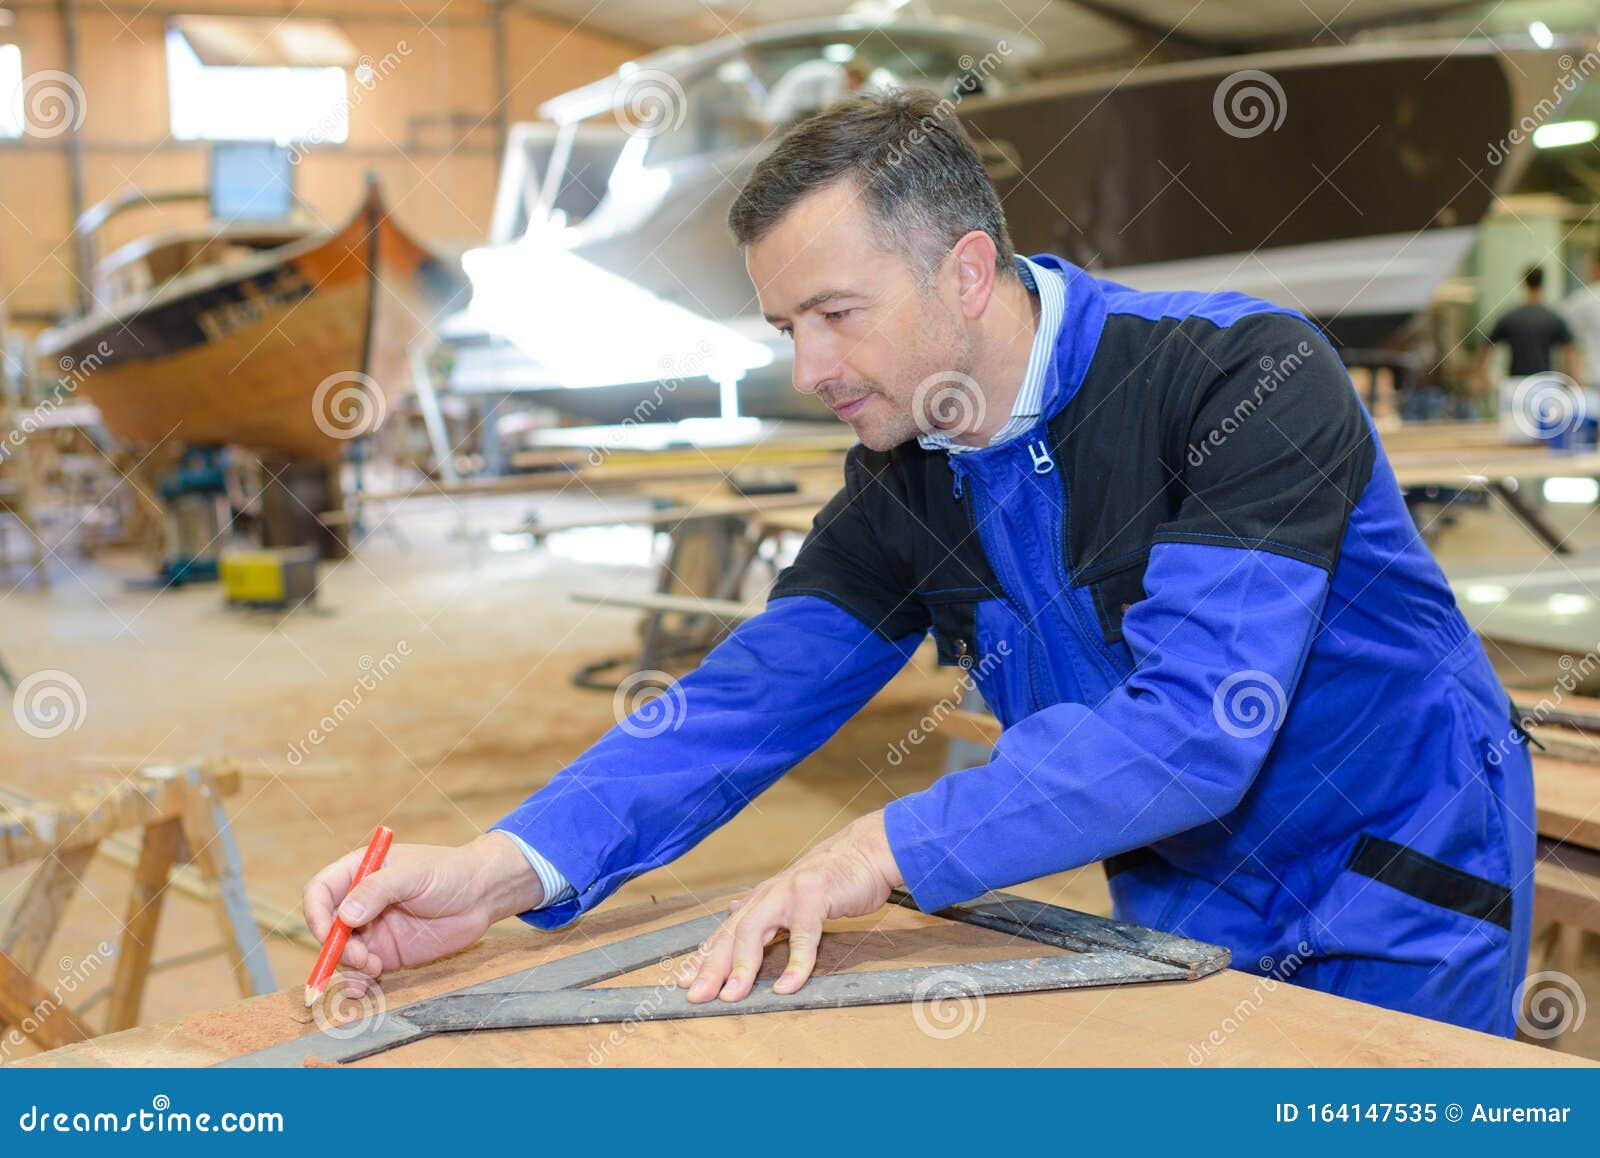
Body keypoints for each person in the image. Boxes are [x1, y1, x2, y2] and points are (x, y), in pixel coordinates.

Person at [305, 90, 1535, 1037]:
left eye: (838, 313)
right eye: (787, 327)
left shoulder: (1238, 379)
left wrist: (871, 849)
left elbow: (1196, 727)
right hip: (1184, 883)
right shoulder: (909, 470)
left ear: (963, 268)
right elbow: (742, 703)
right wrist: (502, 867)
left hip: (1401, 862)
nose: (811, 368)